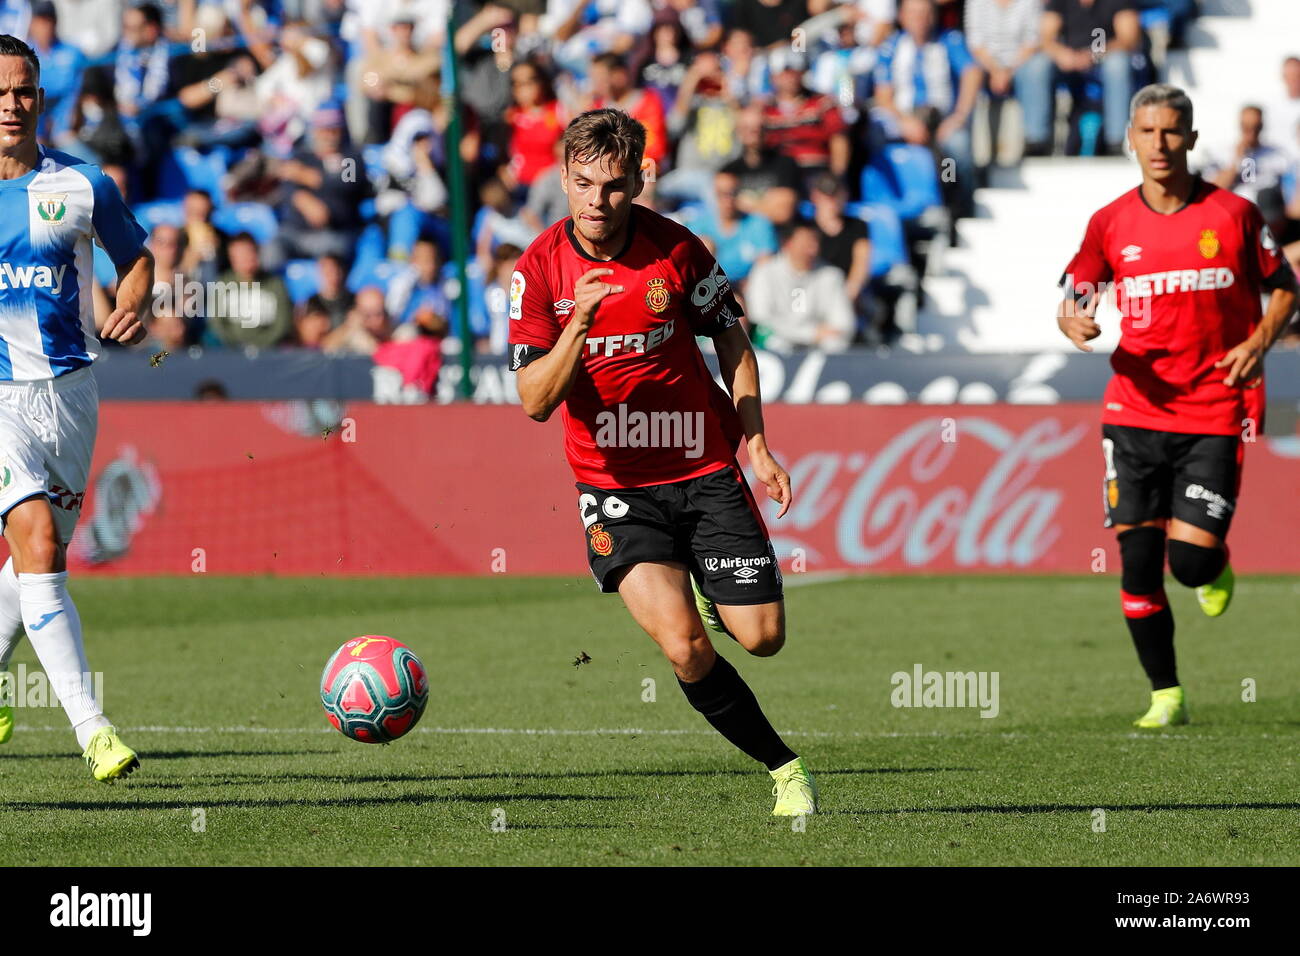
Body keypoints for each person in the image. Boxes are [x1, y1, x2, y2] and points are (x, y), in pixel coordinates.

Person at [508, 108, 817, 816]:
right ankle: (784, 769)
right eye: (582, 184)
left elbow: (733, 342)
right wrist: (578, 325)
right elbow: (533, 400)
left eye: (613, 186)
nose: (596, 201)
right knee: (684, 648)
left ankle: (709, 585)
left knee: (763, 639)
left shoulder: (677, 252)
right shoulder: (537, 269)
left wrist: (758, 442)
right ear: (562, 178)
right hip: (615, 487)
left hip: (704, 468)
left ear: (638, 182)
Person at [1057, 85, 1298, 729]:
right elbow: (1077, 285)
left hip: (1216, 409)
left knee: (1187, 563)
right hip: (1132, 411)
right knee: (1137, 560)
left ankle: (1211, 563)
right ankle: (1166, 693)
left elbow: (1284, 290)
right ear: (1131, 139)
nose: (1159, 145)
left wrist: (1258, 340)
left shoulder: (1234, 216)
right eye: (1147, 133)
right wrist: (1072, 318)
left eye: (1171, 133)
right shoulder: (1110, 221)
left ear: (1190, 140)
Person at [0, 34, 153, 781]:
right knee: (40, 548)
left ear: (41, 97)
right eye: (0, 92)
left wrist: (133, 298)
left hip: (71, 395)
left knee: (32, 562)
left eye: (23, 90)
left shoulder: (84, 185)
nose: (11, 104)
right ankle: (94, 732)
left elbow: (137, 257)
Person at [1040, 0, 1140, 156]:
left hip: (1106, 59)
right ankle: (1037, 143)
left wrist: (1094, 54)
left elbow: (1129, 39)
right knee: (1038, 66)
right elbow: (1045, 39)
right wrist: (1062, 54)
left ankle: (1116, 142)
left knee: (1117, 65)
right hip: (1068, 63)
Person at [745, 219, 855, 351]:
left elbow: (844, 323)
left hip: (818, 345)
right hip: (778, 340)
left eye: (815, 242)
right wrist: (809, 334)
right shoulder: (764, 272)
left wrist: (821, 334)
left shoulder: (831, 275)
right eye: (805, 243)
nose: (812, 249)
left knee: (835, 344)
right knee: (775, 342)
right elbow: (759, 318)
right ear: (787, 243)